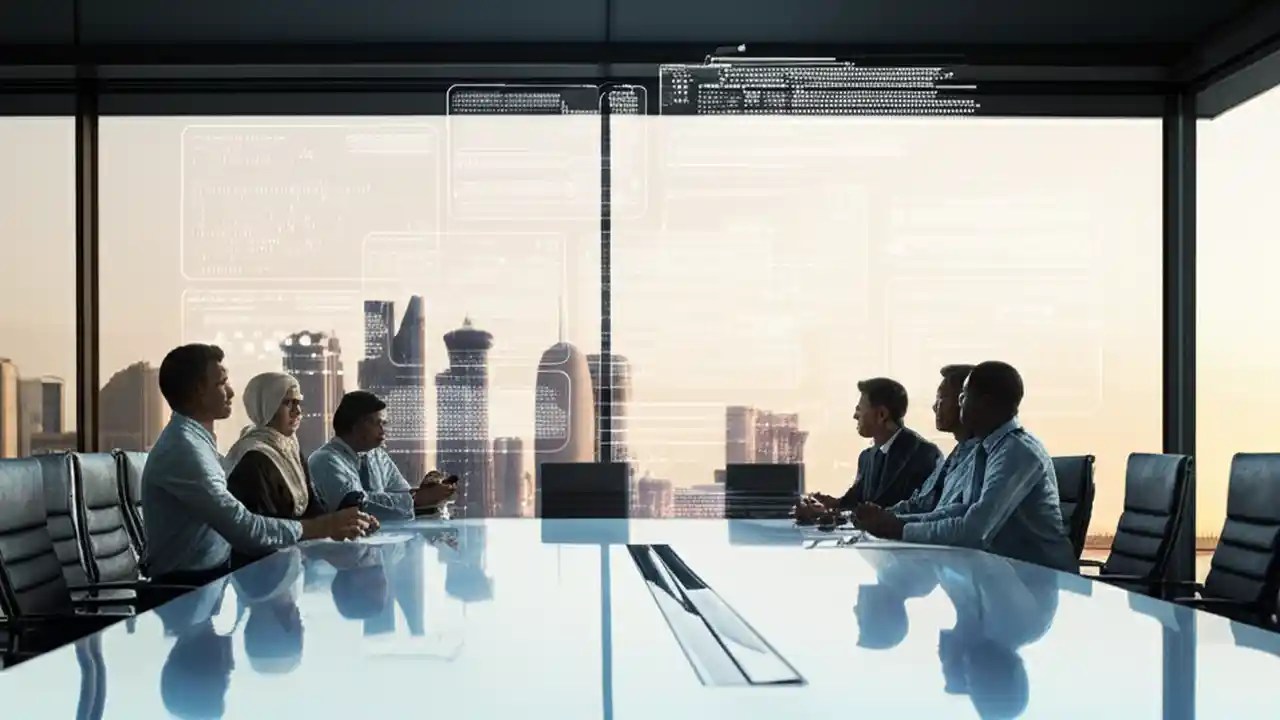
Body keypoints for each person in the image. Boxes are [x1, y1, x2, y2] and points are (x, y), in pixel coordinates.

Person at [141, 344, 376, 586]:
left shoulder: (197, 441)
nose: (231, 392)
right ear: (198, 391)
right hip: (184, 592)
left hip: (214, 581)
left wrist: (339, 522)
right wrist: (322, 526)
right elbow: (245, 529)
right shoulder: (185, 450)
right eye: (221, 384)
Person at [857, 361, 1077, 572]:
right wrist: (893, 523)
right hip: (1004, 575)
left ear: (986, 403)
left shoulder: (1016, 451)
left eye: (963, 397)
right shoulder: (988, 448)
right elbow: (958, 511)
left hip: (1042, 581)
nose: (960, 403)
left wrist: (899, 528)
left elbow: (975, 530)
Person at [797, 377, 942, 523]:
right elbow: (853, 504)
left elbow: (918, 510)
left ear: (881, 415)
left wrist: (835, 513)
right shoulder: (866, 458)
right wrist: (827, 505)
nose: (855, 416)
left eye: (859, 409)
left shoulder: (924, 455)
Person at [854, 364, 980, 528]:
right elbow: (921, 502)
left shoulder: (926, 454)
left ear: (965, 402)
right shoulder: (958, 453)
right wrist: (884, 517)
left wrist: (895, 525)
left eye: (942, 399)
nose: (935, 407)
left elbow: (957, 520)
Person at [308, 391, 456, 521]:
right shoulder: (324, 460)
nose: (383, 430)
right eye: (377, 423)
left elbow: (402, 494)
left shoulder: (377, 456)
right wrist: (417, 499)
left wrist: (426, 493)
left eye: (384, 424)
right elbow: (354, 505)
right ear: (356, 426)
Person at [224, 372, 323, 544]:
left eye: (298, 403)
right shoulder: (253, 457)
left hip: (297, 551)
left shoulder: (289, 446)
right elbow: (263, 527)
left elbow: (312, 504)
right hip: (264, 562)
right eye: (287, 403)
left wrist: (344, 522)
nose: (297, 411)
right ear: (266, 406)